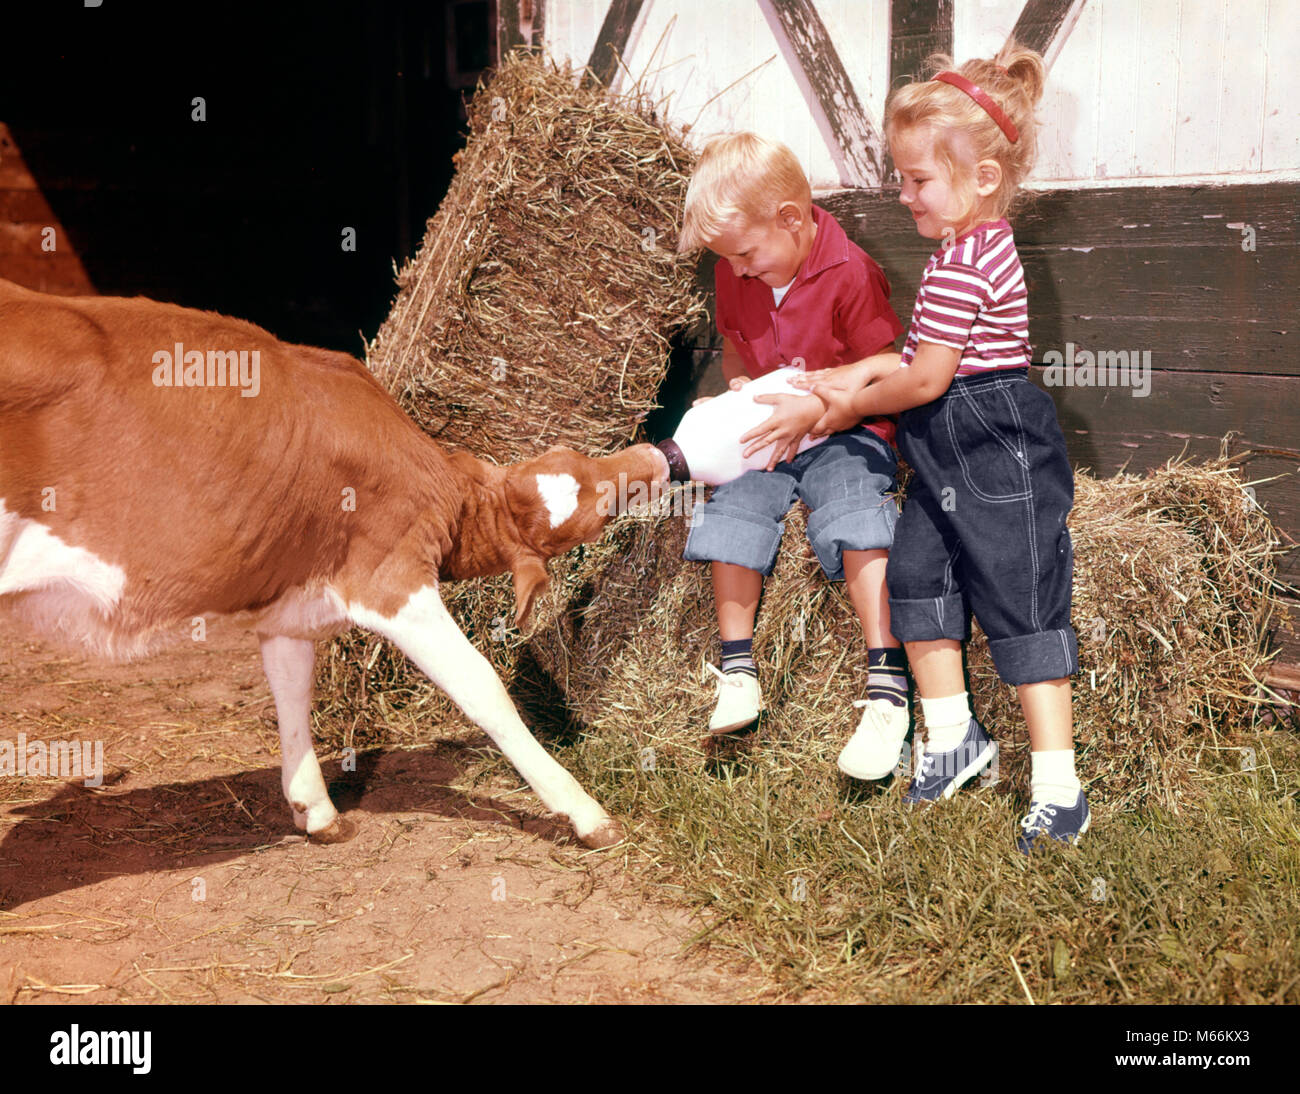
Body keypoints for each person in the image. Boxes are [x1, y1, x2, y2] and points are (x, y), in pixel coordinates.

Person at [801, 47, 1089, 851]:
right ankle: (955, 735)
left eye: (917, 180)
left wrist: (845, 406)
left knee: (1020, 598)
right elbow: (912, 358)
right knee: (918, 573)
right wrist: (849, 374)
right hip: (944, 456)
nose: (903, 195)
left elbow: (923, 380)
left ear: (983, 177)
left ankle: (1059, 787)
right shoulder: (959, 255)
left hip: (996, 450)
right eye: (901, 178)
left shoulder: (970, 262)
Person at [675, 132, 912, 779]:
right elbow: (735, 347)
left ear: (791, 219)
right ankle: (737, 669)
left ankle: (888, 686)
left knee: (854, 511)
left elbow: (890, 369)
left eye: (748, 254)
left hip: (846, 429)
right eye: (732, 261)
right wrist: (742, 388)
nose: (742, 271)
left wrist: (826, 409)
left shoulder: (850, 272)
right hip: (774, 430)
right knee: (734, 508)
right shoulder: (734, 272)